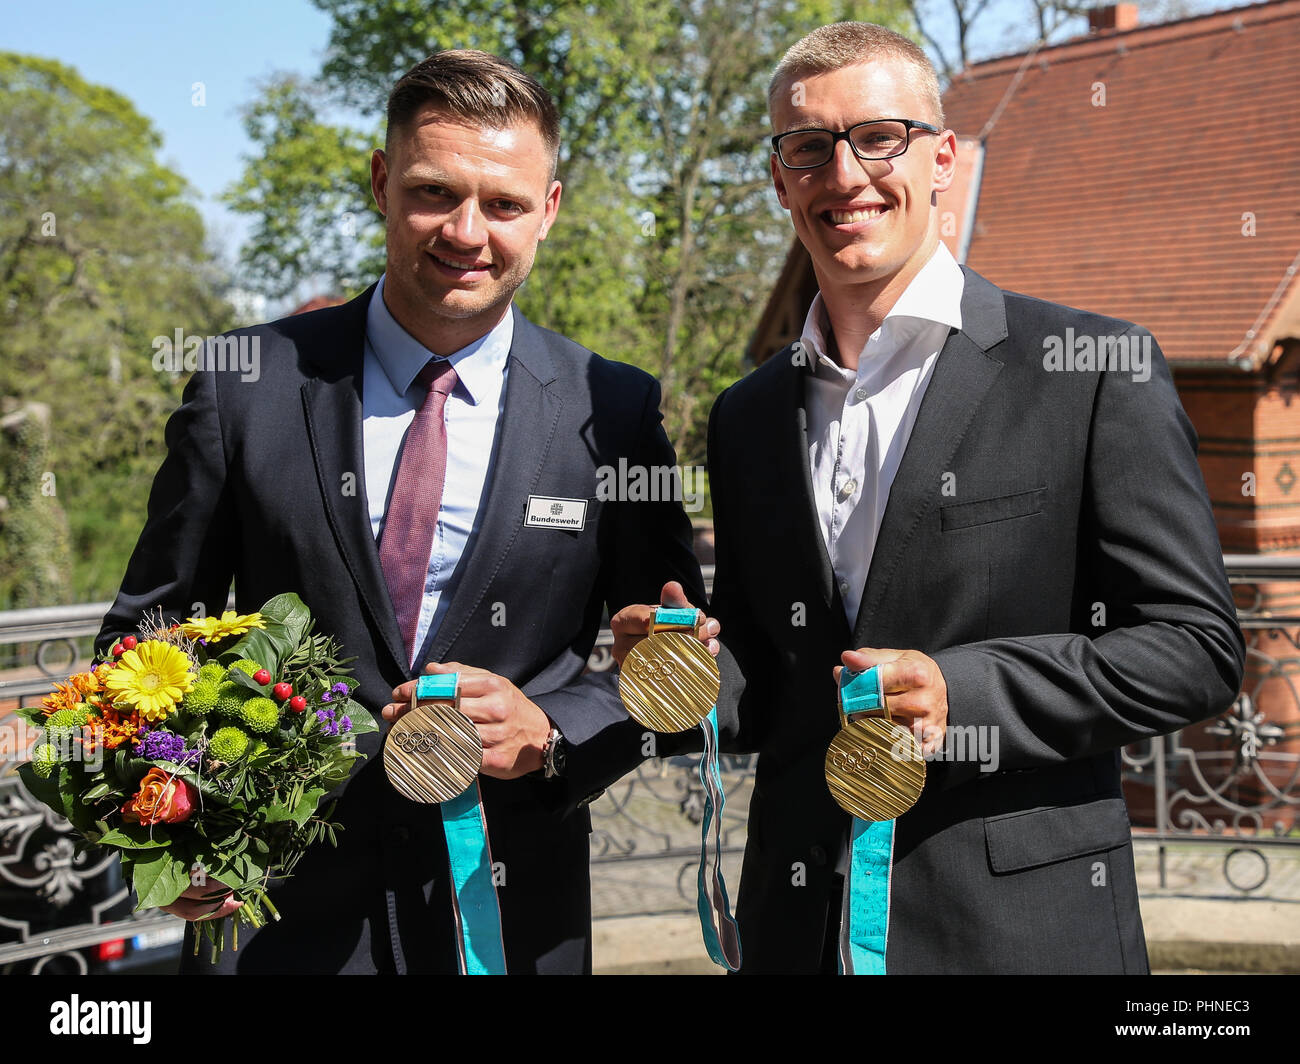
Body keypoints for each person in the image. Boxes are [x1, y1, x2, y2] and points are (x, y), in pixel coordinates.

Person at [621, 22, 1245, 973]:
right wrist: (686, 677)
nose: (844, 173)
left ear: (943, 156)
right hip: (796, 927)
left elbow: (1193, 650)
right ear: (779, 176)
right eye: (807, 146)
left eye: (879, 136)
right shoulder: (748, 414)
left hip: (1016, 931)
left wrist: (967, 693)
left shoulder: (1088, 373)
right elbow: (776, 674)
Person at [95, 49, 712, 975]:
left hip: (512, 920)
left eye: (503, 203)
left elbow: (681, 674)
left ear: (548, 210)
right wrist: (165, 824)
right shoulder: (244, 384)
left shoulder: (614, 409)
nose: (467, 232)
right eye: (435, 193)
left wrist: (553, 732)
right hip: (272, 930)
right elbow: (143, 640)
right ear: (382, 183)